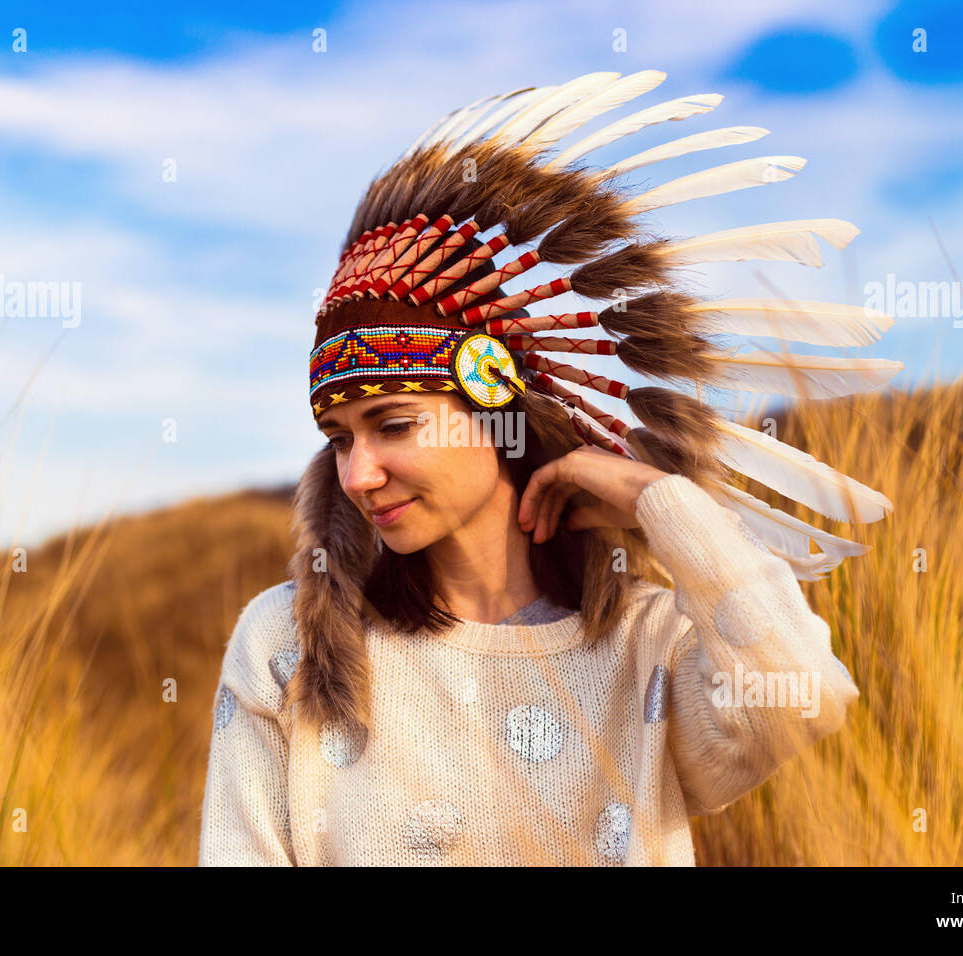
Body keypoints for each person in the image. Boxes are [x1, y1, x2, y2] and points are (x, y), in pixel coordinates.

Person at [200, 69, 901, 866]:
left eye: (392, 425)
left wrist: (657, 499)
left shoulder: (646, 647)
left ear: (496, 408)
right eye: (338, 438)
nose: (358, 475)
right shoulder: (286, 646)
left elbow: (807, 693)